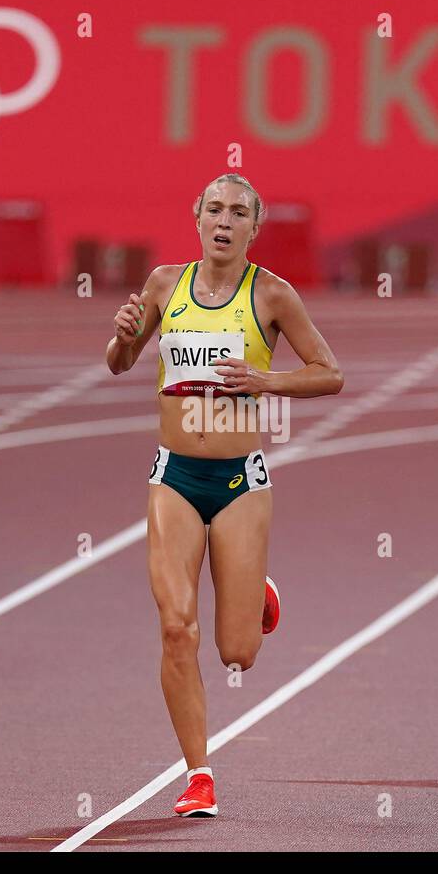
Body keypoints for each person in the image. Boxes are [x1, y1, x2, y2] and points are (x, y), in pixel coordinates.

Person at [105, 173, 343, 817]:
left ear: (252, 228)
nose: (224, 220)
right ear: (197, 217)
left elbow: (331, 374)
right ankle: (199, 774)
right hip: (175, 477)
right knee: (176, 627)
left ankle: (257, 592)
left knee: (236, 651)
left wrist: (264, 380)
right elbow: (119, 362)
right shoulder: (163, 284)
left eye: (239, 212)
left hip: (239, 482)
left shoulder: (272, 294)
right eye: (214, 209)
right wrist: (126, 334)